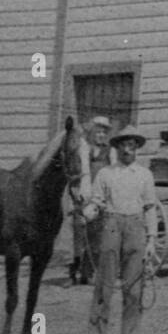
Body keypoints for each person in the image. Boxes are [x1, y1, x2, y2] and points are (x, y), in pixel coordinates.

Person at [84, 126, 159, 334]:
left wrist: (151, 240)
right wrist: (89, 210)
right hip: (112, 227)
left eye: (132, 146)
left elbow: (150, 208)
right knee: (104, 287)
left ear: (136, 149)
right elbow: (96, 201)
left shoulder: (145, 175)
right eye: (124, 146)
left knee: (134, 290)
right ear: (116, 148)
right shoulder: (105, 173)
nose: (128, 150)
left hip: (136, 229)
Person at [69, 114, 113, 285]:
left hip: (102, 195)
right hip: (84, 193)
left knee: (97, 235)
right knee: (80, 234)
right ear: (92, 132)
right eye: (98, 131)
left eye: (104, 132)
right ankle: (76, 270)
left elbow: (113, 173)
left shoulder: (110, 151)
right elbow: (78, 171)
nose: (101, 135)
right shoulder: (84, 149)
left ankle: (90, 272)